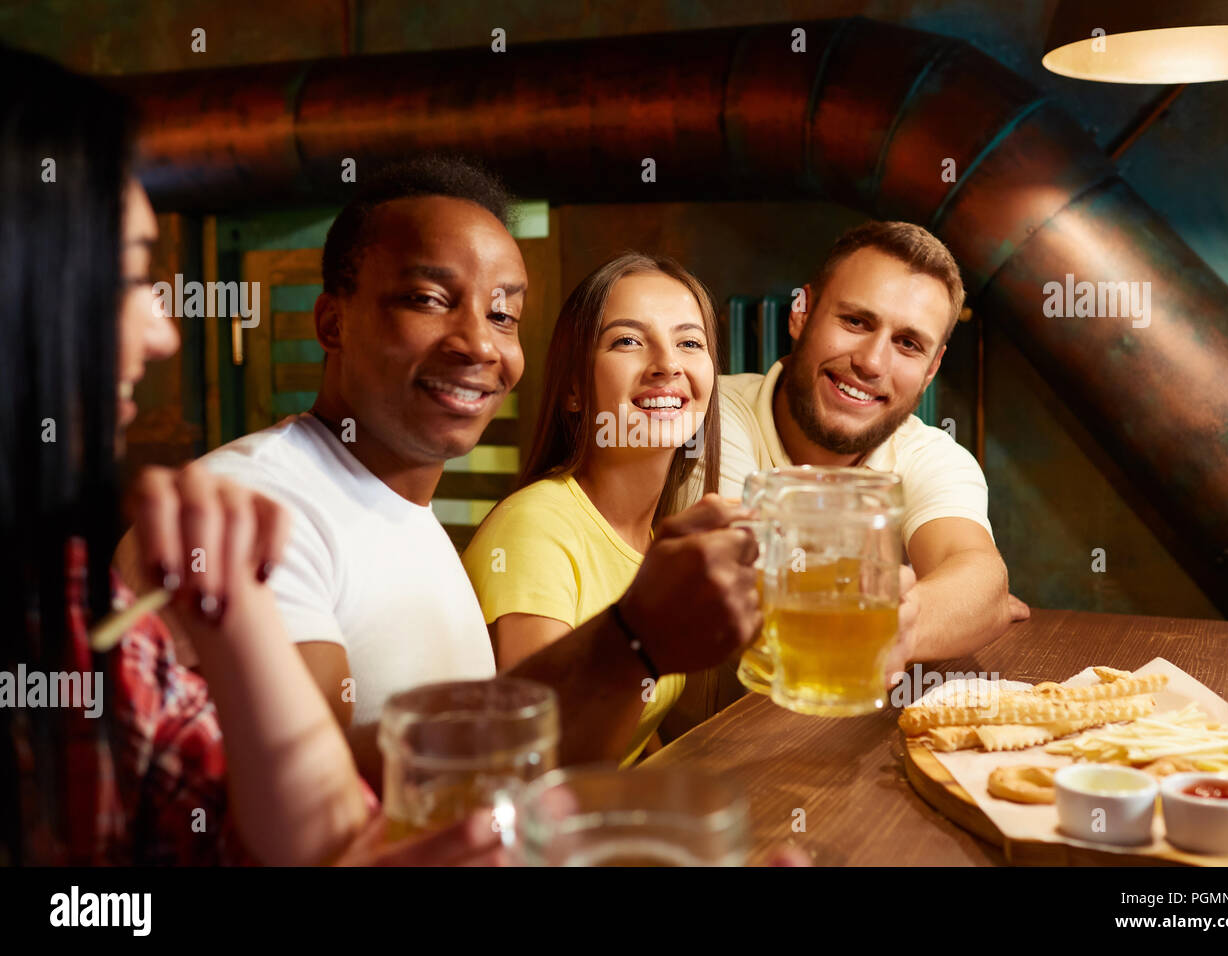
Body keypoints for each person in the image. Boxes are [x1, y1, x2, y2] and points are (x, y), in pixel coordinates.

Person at [119, 158, 762, 787]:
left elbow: (499, 779)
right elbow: (304, 812)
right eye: (428, 299)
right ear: (332, 321)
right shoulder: (258, 502)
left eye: (502, 314)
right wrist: (636, 638)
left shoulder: (408, 513)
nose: (479, 343)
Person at [0, 46, 371, 866]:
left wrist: (233, 615)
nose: (165, 334)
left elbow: (309, 843)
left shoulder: (62, 608)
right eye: (126, 278)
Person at [717, 221, 1027, 685]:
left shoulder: (932, 455)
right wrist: (934, 611)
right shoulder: (710, 417)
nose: (872, 362)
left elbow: (979, 579)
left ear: (931, 369)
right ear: (801, 313)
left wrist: (884, 632)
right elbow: (740, 584)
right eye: (856, 322)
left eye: (907, 343)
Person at [462, 252, 720, 765]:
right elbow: (540, 760)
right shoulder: (536, 530)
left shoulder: (655, 538)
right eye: (628, 340)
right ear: (575, 389)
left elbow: (632, 731)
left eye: (689, 342)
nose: (668, 364)